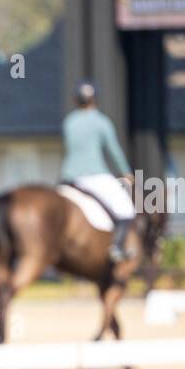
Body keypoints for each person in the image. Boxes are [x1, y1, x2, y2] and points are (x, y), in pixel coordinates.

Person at [61, 81, 136, 262]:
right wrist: (126, 172)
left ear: (76, 100)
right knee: (126, 209)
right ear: (95, 100)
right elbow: (114, 150)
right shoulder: (101, 122)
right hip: (94, 174)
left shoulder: (69, 122)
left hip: (68, 176)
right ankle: (117, 248)